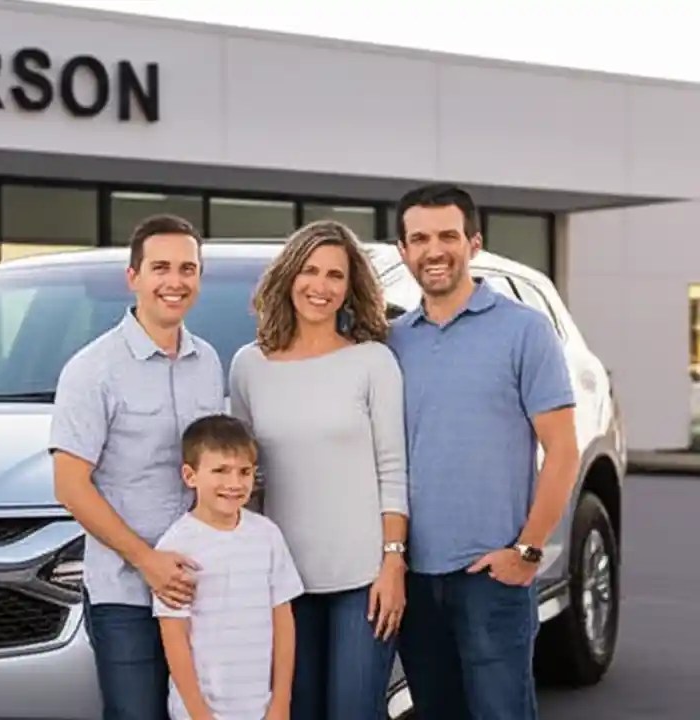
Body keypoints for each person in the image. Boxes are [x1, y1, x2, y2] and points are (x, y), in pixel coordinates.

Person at [387, 183, 579, 720]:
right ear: (403, 251)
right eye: (419, 238)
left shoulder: (524, 331)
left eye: (448, 235)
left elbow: (562, 450)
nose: (434, 250)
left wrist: (528, 552)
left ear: (474, 242)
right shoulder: (391, 341)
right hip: (414, 580)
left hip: (493, 578)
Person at [228, 219, 410, 720]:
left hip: (364, 580)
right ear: (288, 277)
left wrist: (393, 564)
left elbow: (393, 470)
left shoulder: (373, 362)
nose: (321, 287)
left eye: (336, 275)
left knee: (354, 710)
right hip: (282, 581)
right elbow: (246, 481)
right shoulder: (249, 366)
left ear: (351, 288)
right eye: (310, 271)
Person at [49, 213, 227, 720]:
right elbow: (70, 485)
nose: (175, 282)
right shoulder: (92, 370)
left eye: (187, 269)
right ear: (134, 277)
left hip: (201, 586)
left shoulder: (210, 362)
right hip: (126, 592)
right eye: (161, 268)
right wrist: (147, 560)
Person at [152, 414, 303, 720]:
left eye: (244, 472)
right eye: (220, 471)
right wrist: (199, 714)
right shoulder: (175, 547)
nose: (234, 484)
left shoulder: (267, 535)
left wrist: (281, 702)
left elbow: (283, 622)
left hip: (261, 708)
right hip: (201, 711)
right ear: (190, 475)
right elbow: (175, 637)